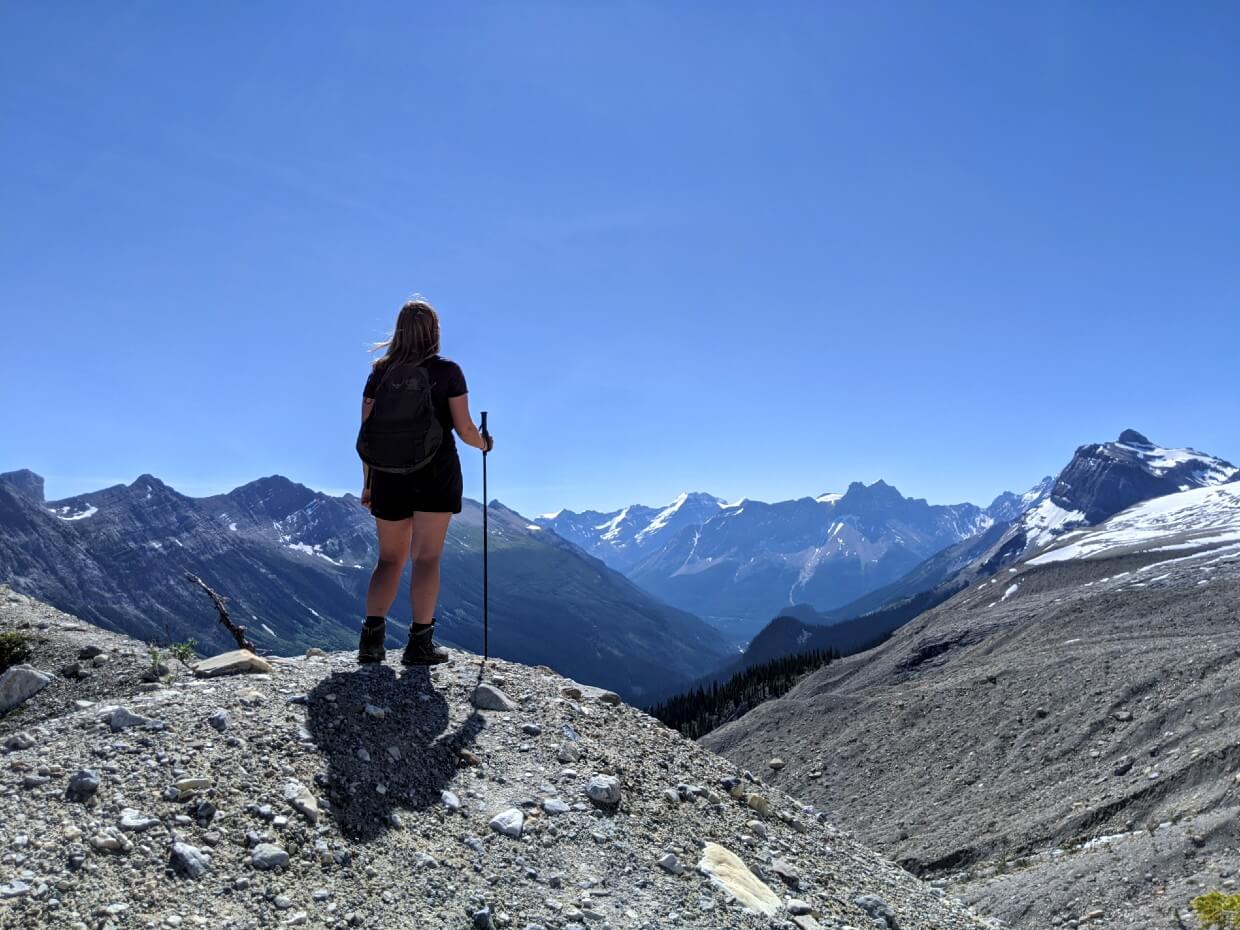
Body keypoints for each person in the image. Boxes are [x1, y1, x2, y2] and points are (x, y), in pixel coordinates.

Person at [356, 298, 492, 665]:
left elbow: (366, 435)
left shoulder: (379, 372)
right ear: (434, 331)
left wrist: (368, 484)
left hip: (387, 474)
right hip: (435, 472)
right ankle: (420, 644)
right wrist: (484, 442)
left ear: (398, 331)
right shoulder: (447, 372)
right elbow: (464, 429)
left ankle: (371, 642)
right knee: (427, 558)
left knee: (388, 560)